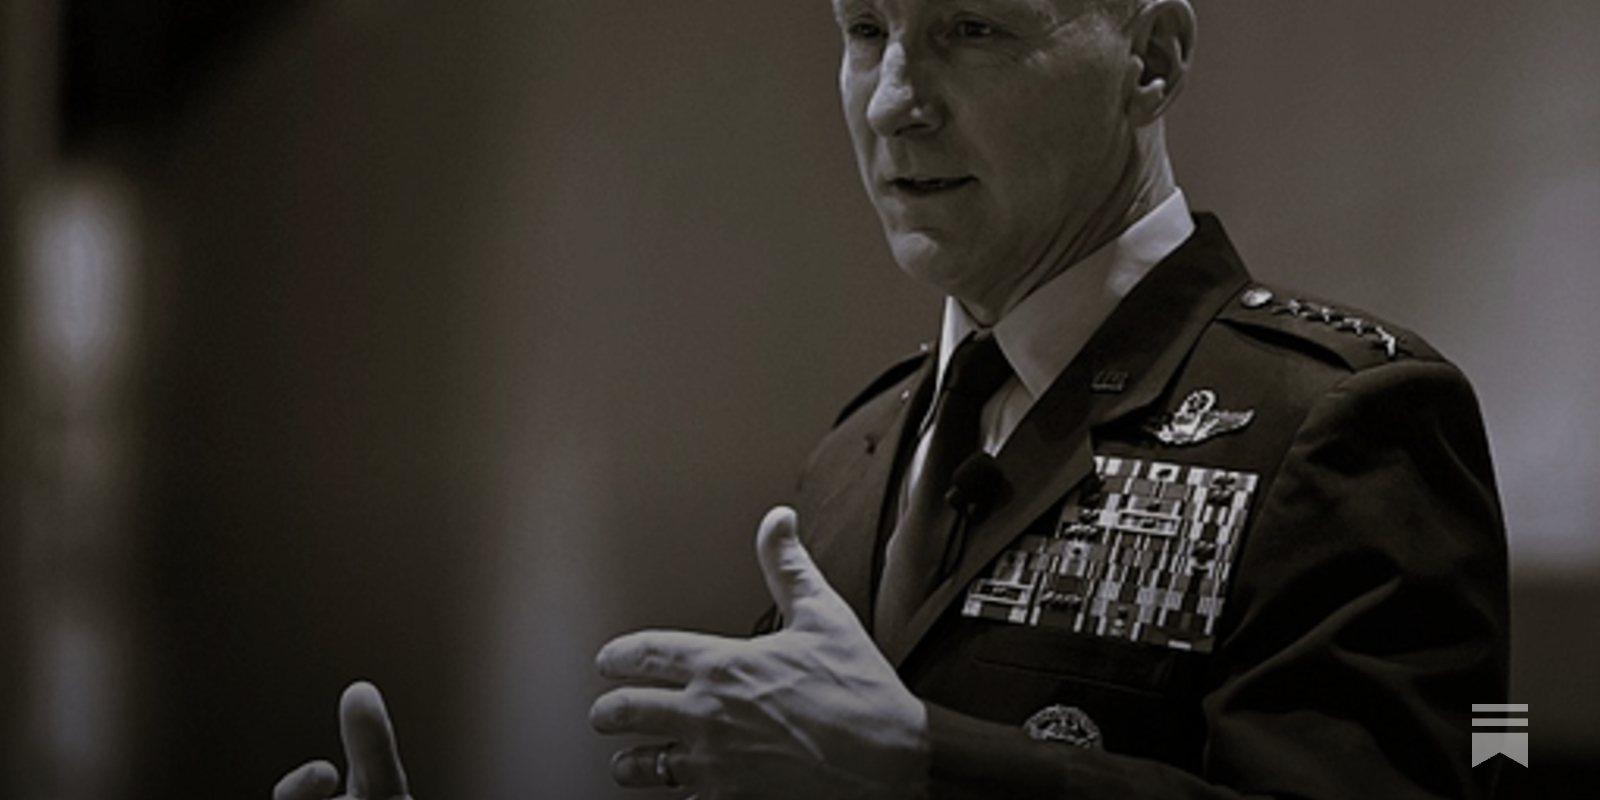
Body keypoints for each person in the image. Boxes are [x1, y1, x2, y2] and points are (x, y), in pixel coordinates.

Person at [277, 0, 1510, 798]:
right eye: (866, 27)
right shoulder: (863, 448)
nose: (889, 99)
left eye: (970, 26)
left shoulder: (1343, 420)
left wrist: (922, 765)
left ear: (1152, 57)